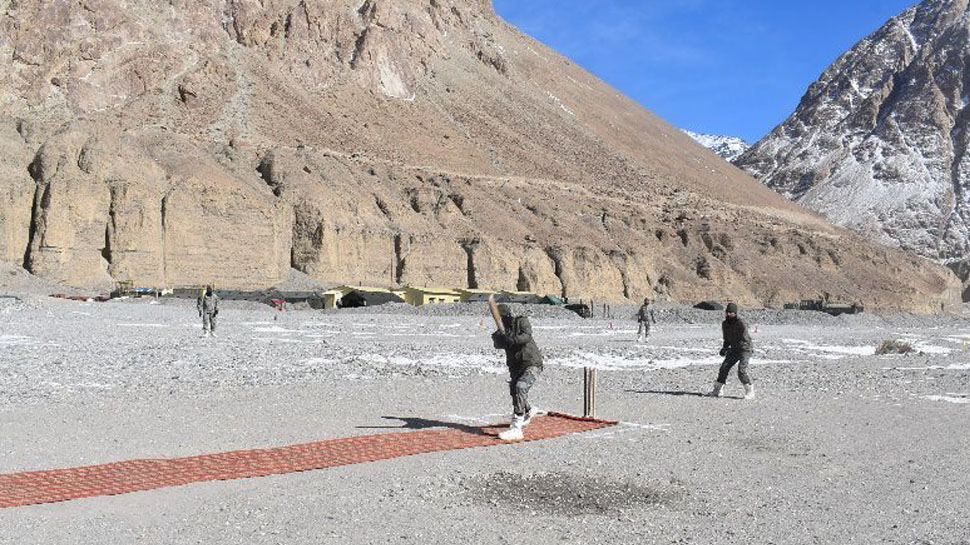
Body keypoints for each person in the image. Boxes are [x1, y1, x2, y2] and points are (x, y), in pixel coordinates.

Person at [491, 304, 544, 441]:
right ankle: (528, 410)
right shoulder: (502, 331)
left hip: (531, 363)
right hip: (516, 367)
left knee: (521, 386)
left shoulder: (521, 322)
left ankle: (516, 428)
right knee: (514, 390)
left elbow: (526, 336)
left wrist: (512, 339)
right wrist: (501, 336)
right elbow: (497, 344)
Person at [708, 302, 754, 399]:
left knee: (741, 370)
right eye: (727, 312)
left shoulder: (741, 323)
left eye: (731, 312)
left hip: (745, 349)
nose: (729, 314)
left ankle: (750, 391)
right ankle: (718, 390)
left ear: (735, 313)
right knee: (724, 367)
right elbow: (727, 338)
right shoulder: (725, 324)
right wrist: (725, 347)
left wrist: (739, 346)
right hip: (734, 349)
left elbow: (744, 337)